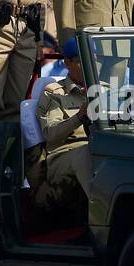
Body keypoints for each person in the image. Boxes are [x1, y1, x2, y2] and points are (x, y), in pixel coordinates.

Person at [34, 35, 92, 211]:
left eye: (92, 60)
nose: (89, 66)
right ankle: (101, 216)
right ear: (67, 63)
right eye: (82, 61)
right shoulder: (54, 93)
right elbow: (50, 135)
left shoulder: (104, 89)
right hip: (63, 155)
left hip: (97, 147)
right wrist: (79, 116)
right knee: (86, 154)